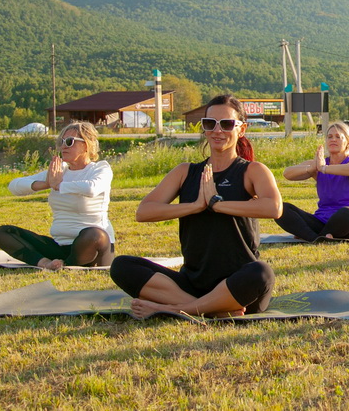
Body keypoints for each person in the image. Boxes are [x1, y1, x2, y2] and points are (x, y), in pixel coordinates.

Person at [109, 95, 282, 318]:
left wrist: (218, 204)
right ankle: (211, 310)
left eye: (227, 124)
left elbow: (274, 208)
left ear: (242, 129)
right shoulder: (185, 172)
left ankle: (176, 309)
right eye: (210, 124)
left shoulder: (252, 171)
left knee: (262, 272)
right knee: (122, 266)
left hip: (238, 285)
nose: (217, 130)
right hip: (193, 283)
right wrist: (195, 206)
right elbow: (144, 212)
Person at [0, 121, 115, 270]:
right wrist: (47, 183)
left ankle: (67, 265)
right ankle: (46, 263)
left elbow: (91, 188)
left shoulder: (101, 168)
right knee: (3, 232)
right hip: (60, 246)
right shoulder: (59, 172)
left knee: (94, 234)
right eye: (61, 142)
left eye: (70, 142)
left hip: (92, 246)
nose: (63, 146)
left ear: (86, 145)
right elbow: (14, 186)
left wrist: (59, 185)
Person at [276, 121, 349, 241]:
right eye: (329, 137)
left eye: (338, 137)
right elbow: (287, 173)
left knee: (348, 213)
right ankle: (317, 238)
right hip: (321, 222)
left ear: (347, 142)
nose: (333, 139)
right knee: (280, 208)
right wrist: (313, 168)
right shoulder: (319, 164)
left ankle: (316, 235)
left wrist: (324, 169)